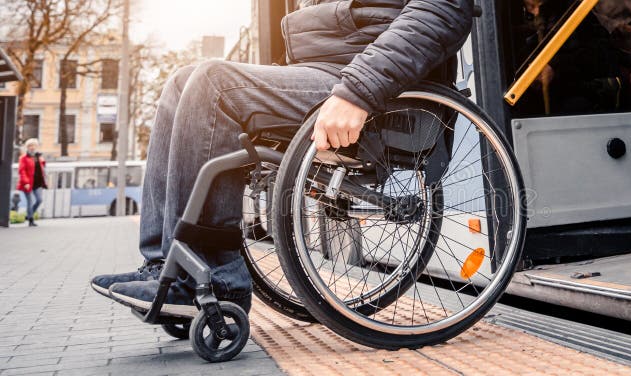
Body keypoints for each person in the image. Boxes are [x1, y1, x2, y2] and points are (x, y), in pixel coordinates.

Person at [90, 0, 474, 317]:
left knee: (213, 84)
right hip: (334, 71)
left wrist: (358, 91)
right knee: (182, 81)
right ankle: (164, 268)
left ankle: (212, 278)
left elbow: (443, 10)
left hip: (376, 88)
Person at [17, 138, 47, 227]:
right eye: (30, 146)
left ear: (36, 146)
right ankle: (31, 220)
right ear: (27, 147)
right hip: (28, 183)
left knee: (39, 200)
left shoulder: (39, 157)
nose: (32, 147)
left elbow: (42, 169)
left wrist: (43, 161)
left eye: (34, 145)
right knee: (30, 201)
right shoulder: (23, 158)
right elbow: (22, 171)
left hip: (37, 183)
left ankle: (29, 214)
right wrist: (26, 182)